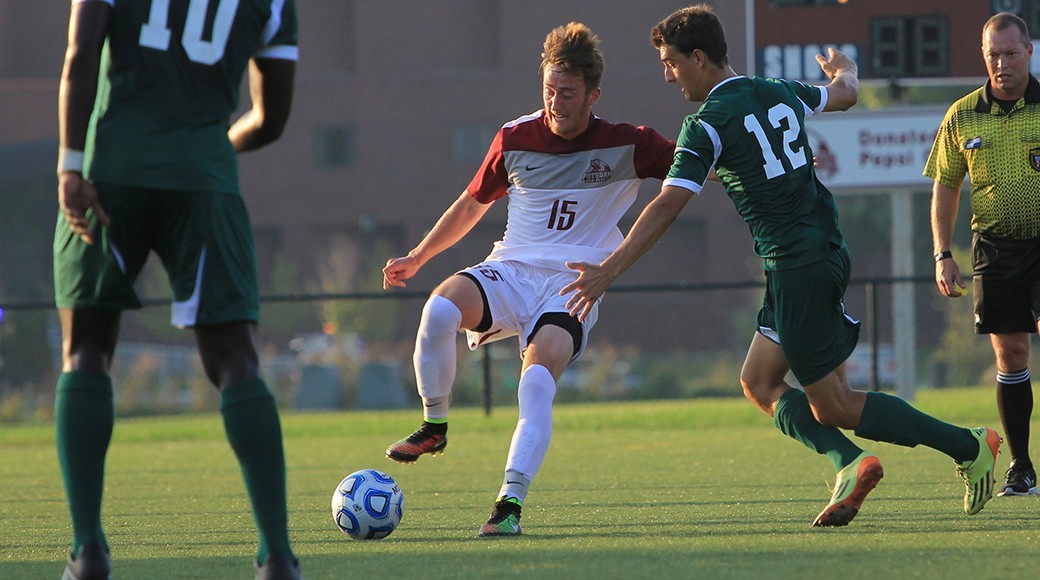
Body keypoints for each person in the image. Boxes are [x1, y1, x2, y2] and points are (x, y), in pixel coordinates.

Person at [561, 3, 1002, 527]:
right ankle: (849, 460)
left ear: (698, 57)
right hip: (818, 253)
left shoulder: (706, 123)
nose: (668, 73)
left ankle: (966, 445)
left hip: (798, 265)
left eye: (671, 61)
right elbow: (846, 94)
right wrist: (844, 68)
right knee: (759, 380)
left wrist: (608, 270)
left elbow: (665, 205)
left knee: (833, 405)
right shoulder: (777, 89)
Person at [381, 22, 675, 537]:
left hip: (573, 284)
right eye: (548, 90)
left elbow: (697, 167)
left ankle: (509, 504)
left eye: (567, 93)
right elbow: (472, 205)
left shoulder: (629, 144)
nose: (555, 102)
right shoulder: (514, 138)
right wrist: (419, 255)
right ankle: (435, 425)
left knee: (536, 382)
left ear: (593, 94)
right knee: (440, 308)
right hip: (511, 270)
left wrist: (766, 167)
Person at [55, 1, 299, 578]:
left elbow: (80, 54)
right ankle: (277, 559)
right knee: (237, 359)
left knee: (86, 350)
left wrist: (69, 165)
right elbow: (271, 118)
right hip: (203, 182)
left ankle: (88, 551)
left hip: (111, 171)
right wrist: (205, 153)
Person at [926, 12, 1040, 497]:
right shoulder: (962, 114)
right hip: (994, 247)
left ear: (1029, 53)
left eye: (1011, 53)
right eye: (993, 55)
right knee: (1010, 353)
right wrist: (941, 253)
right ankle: (1021, 467)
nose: (1002, 63)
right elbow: (946, 186)